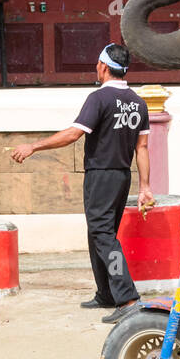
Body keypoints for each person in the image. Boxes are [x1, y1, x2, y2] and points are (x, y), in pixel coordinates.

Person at [11, 43, 155, 323]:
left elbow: (73, 134)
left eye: (97, 64)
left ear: (103, 67)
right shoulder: (138, 102)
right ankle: (106, 293)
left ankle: (127, 298)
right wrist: (145, 187)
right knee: (99, 233)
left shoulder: (98, 98)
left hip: (101, 176)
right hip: (121, 176)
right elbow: (142, 147)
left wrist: (33, 146)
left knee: (103, 235)